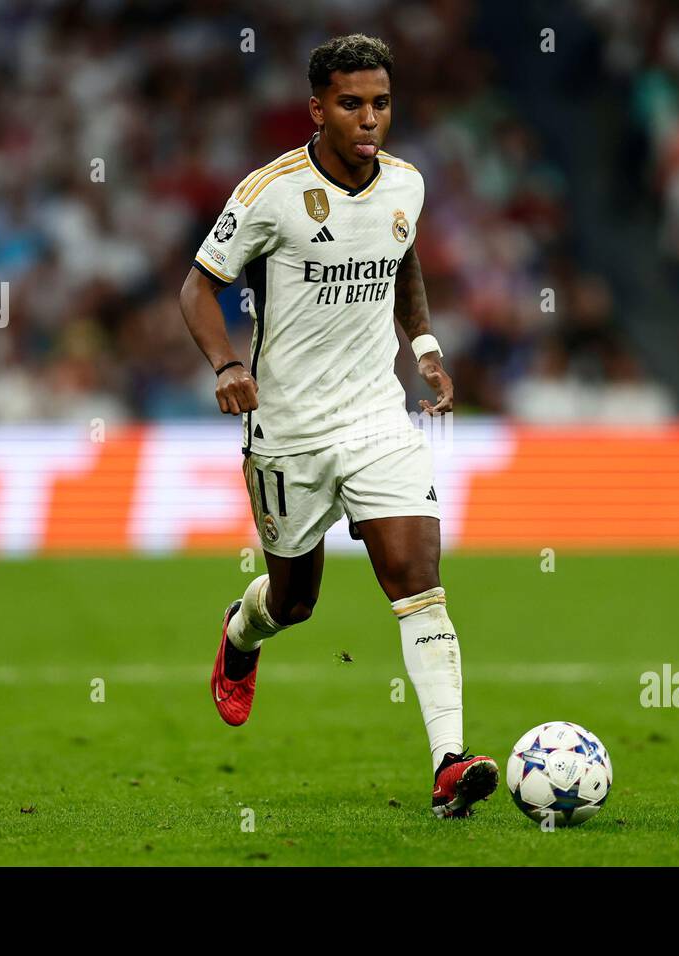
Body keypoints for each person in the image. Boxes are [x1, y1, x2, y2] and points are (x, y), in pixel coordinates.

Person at [178, 34, 498, 818]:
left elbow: (404, 261)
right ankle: (242, 634)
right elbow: (196, 289)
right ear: (317, 108)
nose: (369, 119)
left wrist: (424, 349)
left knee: (418, 579)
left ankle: (448, 764)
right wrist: (228, 367)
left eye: (381, 103)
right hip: (285, 430)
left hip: (376, 420)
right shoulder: (269, 193)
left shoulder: (405, 186)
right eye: (351, 104)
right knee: (294, 602)